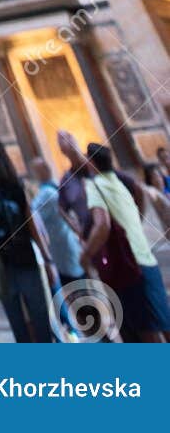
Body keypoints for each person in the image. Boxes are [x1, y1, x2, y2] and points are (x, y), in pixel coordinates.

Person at [82, 141, 170, 342]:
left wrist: (85, 255)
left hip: (129, 265)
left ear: (92, 162)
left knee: (145, 329)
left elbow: (102, 225)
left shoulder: (95, 185)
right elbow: (138, 191)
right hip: (147, 261)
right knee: (163, 321)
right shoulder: (120, 181)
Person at [0, 138, 54, 342]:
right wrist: (47, 259)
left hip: (1, 264)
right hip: (25, 257)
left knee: (17, 325)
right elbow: (31, 224)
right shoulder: (17, 184)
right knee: (40, 319)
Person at [31, 156, 85, 293]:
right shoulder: (52, 187)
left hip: (63, 248)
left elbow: (32, 215)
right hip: (66, 245)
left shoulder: (47, 193)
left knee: (77, 294)